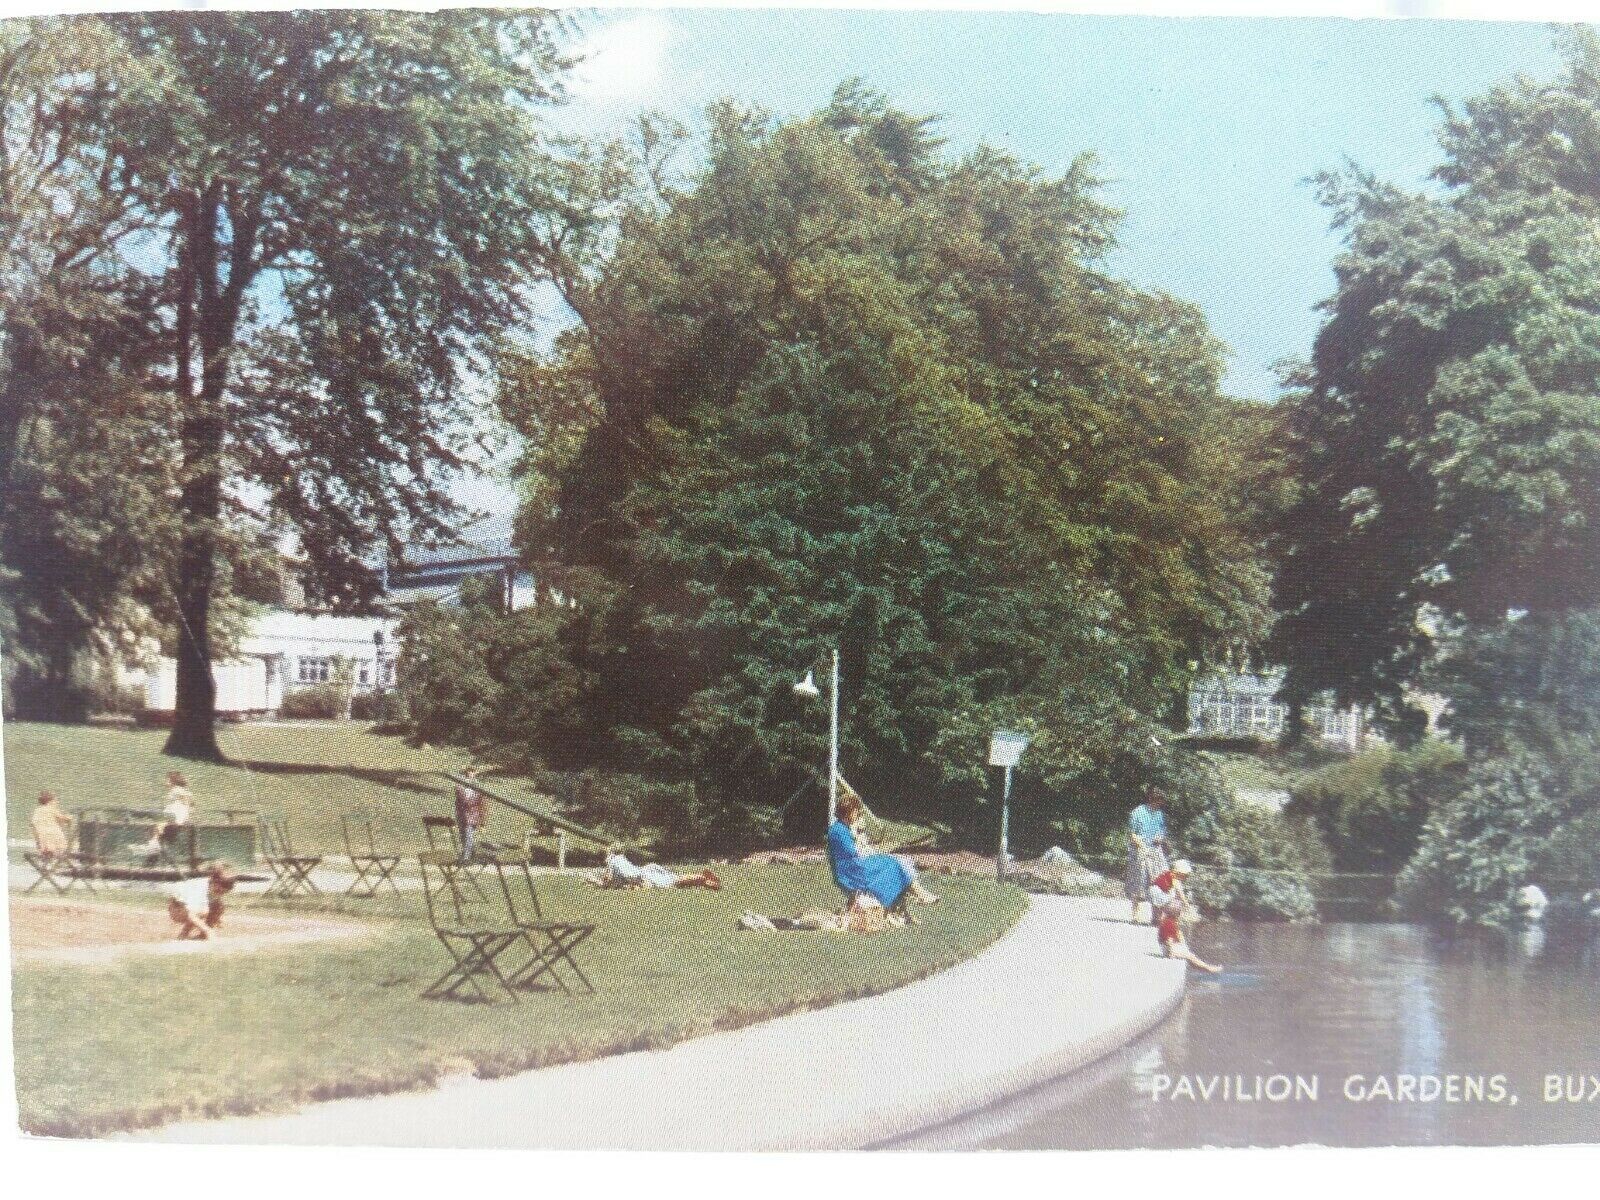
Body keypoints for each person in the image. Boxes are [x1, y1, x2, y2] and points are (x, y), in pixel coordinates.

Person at [827, 783, 940, 912]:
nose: (857, 815)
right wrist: (859, 840)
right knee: (893, 863)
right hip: (853, 871)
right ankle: (920, 895)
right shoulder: (839, 831)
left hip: (853, 867)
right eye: (856, 811)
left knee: (893, 862)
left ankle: (919, 894)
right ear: (849, 811)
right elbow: (853, 852)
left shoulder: (840, 828)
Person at [1148, 859, 1222, 973]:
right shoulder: (1168, 921)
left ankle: (1207, 968)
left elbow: (1176, 933)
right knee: (1190, 956)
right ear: (1179, 873)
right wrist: (1187, 906)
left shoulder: (1168, 875)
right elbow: (1168, 939)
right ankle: (1209, 969)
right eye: (1185, 875)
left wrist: (1182, 944)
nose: (1186, 878)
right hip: (1168, 950)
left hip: (1157, 895)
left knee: (1189, 954)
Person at [1125, 788, 1171, 924]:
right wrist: (1142, 846)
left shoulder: (1160, 814)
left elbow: (1162, 831)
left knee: (1159, 883)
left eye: (1161, 803)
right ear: (1152, 799)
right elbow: (1132, 834)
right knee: (1138, 882)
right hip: (1140, 850)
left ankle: (1156, 917)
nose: (1160, 805)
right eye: (1158, 802)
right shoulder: (1137, 812)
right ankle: (1135, 915)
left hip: (1156, 850)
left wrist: (1160, 838)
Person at [165, 863, 238, 941]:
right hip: (176, 908)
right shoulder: (200, 888)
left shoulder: (212, 887)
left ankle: (202, 936)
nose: (220, 894)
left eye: (223, 892)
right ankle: (183, 935)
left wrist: (216, 918)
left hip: (189, 909)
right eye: (218, 890)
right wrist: (208, 931)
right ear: (212, 881)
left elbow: (217, 905)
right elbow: (191, 914)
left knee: (219, 906)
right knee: (203, 911)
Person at [591, 848, 722, 890]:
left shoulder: (610, 862)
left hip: (644, 876)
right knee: (676, 879)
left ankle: (704, 879)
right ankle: (706, 880)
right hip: (647, 869)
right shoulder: (619, 857)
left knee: (675, 881)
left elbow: (607, 882)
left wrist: (593, 881)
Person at [453, 767, 487, 862]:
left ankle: (466, 857)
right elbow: (457, 804)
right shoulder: (460, 787)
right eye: (469, 771)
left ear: (475, 773)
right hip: (462, 816)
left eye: (473, 771)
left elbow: (483, 805)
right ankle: (472, 854)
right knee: (463, 836)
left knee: (469, 835)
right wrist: (457, 817)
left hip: (473, 816)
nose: (470, 773)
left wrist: (483, 822)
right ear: (466, 772)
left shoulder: (479, 787)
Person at [30, 792, 74, 861]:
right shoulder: (51, 809)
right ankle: (60, 860)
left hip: (41, 834)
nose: (56, 803)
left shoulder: (37, 810)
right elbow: (62, 818)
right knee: (62, 849)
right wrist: (69, 817)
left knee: (47, 848)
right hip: (53, 834)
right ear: (50, 801)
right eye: (55, 801)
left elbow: (33, 824)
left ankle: (47, 858)